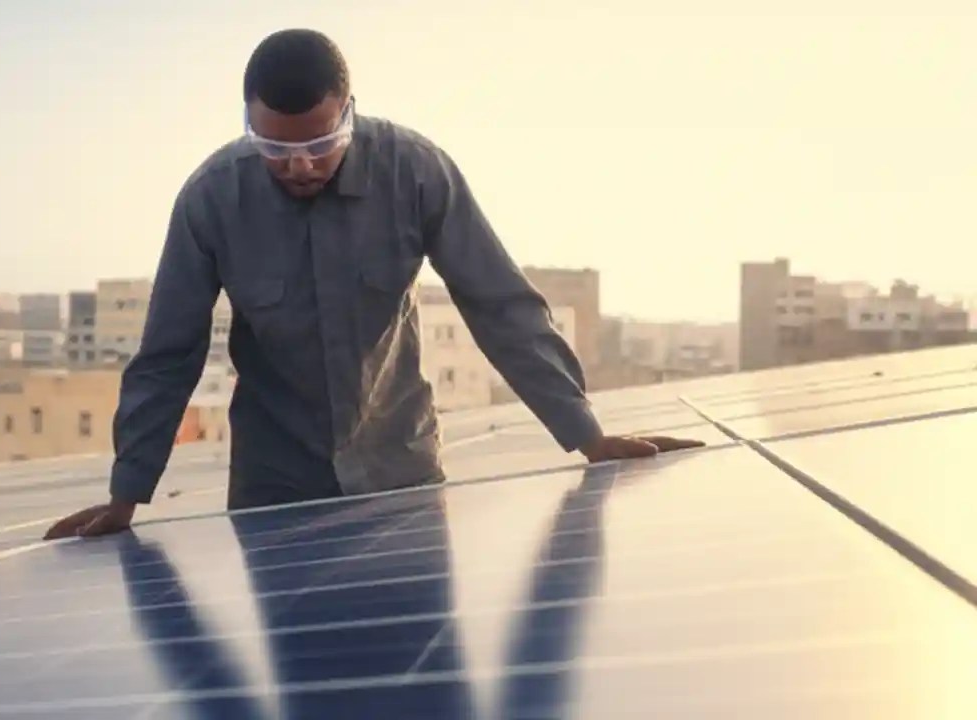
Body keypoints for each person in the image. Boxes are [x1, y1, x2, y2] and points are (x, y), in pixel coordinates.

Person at [43, 29, 703, 541]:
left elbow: (500, 305)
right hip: (275, 490)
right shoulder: (212, 198)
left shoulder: (417, 172)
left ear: (349, 114)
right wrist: (126, 496)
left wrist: (587, 435)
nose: (298, 165)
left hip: (402, 476)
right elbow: (168, 352)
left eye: (319, 144)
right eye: (274, 149)